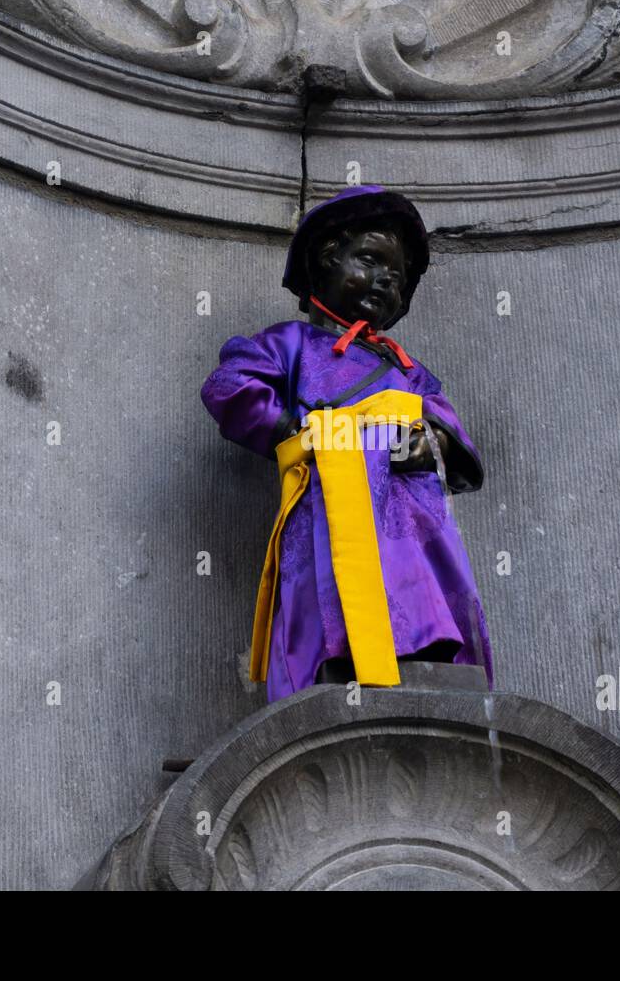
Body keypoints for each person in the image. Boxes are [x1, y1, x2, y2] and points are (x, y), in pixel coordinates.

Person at [201, 185, 493, 702]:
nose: (386, 280)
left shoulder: (409, 370)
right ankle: (336, 662)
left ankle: (426, 655)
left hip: (408, 508)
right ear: (328, 259)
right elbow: (230, 385)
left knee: (418, 585)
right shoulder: (291, 343)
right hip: (331, 494)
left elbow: (449, 429)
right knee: (329, 584)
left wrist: (430, 445)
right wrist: (296, 431)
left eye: (398, 277)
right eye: (370, 260)